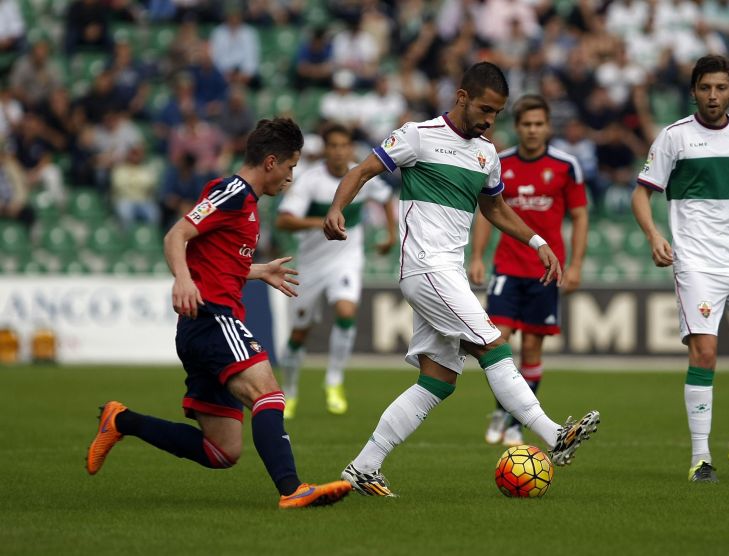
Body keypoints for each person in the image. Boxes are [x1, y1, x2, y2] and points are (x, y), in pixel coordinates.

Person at [323, 62, 600, 497]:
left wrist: (537, 240)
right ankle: (553, 435)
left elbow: (495, 209)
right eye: (486, 109)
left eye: (498, 113)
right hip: (425, 267)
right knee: (493, 343)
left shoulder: (486, 153)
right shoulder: (417, 134)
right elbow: (361, 172)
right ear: (462, 98)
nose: (490, 120)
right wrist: (337, 207)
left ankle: (363, 467)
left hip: (446, 273)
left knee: (438, 381)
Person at [85, 118, 351, 508]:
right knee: (269, 395)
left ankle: (121, 421)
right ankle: (292, 488)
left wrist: (258, 271)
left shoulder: (245, 203)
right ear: (271, 161)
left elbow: (216, 261)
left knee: (222, 451)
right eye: (291, 167)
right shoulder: (233, 192)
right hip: (213, 318)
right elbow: (176, 235)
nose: (291, 177)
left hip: (200, 328)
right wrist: (182, 280)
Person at [631, 55, 729, 484]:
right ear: (693, 91)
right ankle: (701, 460)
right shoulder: (674, 137)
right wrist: (653, 236)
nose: (713, 96)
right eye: (705, 88)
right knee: (704, 353)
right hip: (696, 264)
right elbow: (641, 195)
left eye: (721, 88)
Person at [468, 94, 588, 447]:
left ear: (548, 127)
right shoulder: (498, 161)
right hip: (507, 265)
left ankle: (515, 422)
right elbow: (488, 210)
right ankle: (500, 410)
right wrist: (477, 255)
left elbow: (580, 216)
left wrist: (577, 264)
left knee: (532, 348)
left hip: (544, 271)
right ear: (517, 127)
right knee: (498, 340)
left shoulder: (566, 166)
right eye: (526, 124)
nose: (533, 130)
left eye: (539, 124)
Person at [276, 122, 396, 417]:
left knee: (345, 311)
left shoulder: (361, 175)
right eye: (334, 146)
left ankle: (334, 381)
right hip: (311, 264)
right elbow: (284, 220)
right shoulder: (309, 181)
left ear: (350, 148)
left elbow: (387, 198)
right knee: (300, 332)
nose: (340, 151)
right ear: (325, 149)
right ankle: (289, 392)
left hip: (346, 260)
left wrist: (391, 234)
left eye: (344, 145)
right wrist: (321, 221)